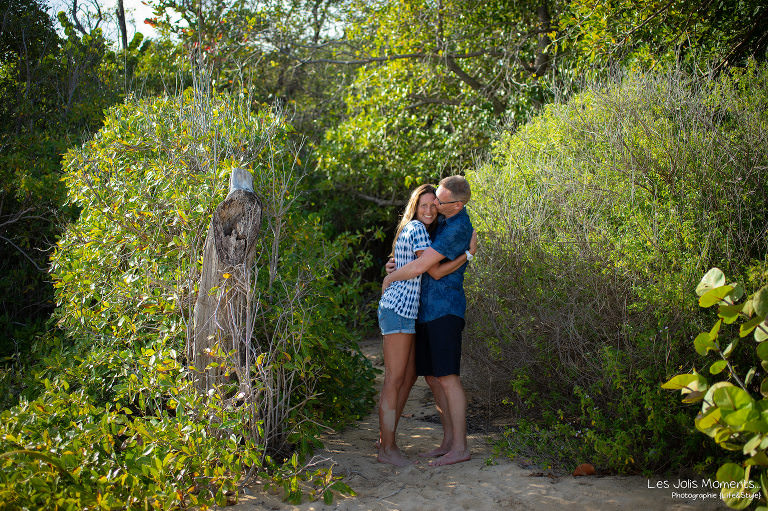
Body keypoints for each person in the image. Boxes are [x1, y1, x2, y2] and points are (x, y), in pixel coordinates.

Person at [377, 183, 476, 467]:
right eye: (425, 205)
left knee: (424, 378)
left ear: (452, 205)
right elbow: (421, 264)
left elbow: (425, 267)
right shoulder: (424, 227)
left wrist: (392, 274)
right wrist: (392, 271)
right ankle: (387, 444)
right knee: (404, 379)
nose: (433, 209)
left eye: (436, 204)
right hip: (408, 311)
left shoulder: (448, 226)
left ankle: (451, 445)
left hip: (432, 311)